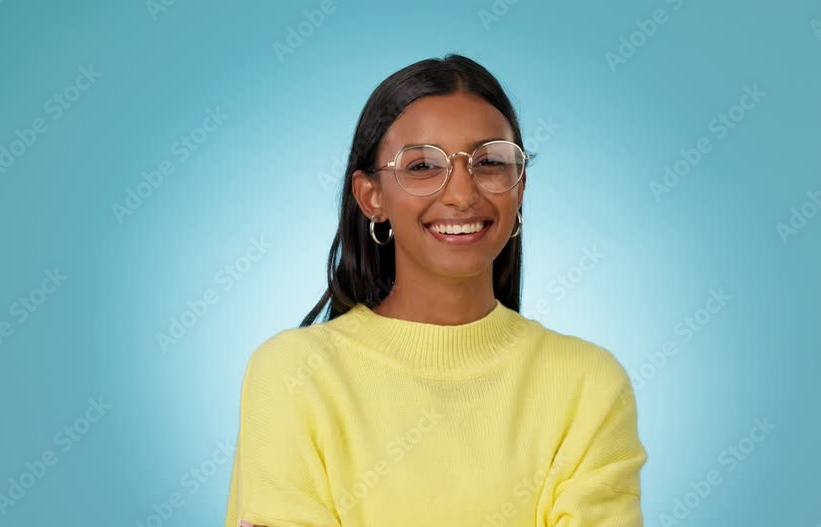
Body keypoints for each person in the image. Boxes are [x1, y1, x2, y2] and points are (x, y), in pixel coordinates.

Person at [223, 54, 647, 527]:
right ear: (372, 196)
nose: (462, 195)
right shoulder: (293, 375)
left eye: (489, 161)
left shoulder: (588, 384)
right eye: (423, 165)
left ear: (519, 185)